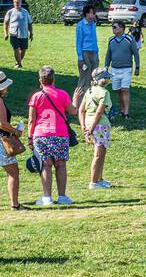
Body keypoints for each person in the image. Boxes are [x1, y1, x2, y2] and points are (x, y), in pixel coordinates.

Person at [27, 65, 77, 207]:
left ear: (40, 80)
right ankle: (62, 196)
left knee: (45, 166)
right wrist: (75, 99)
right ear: (53, 79)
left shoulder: (36, 96)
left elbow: (31, 120)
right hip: (60, 134)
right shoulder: (62, 94)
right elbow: (73, 111)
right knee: (61, 165)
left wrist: (30, 137)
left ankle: (47, 197)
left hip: (41, 134)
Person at [80, 67, 113, 190]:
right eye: (107, 77)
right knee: (98, 155)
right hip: (100, 126)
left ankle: (99, 179)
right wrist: (91, 129)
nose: (109, 79)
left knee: (101, 153)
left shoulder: (89, 90)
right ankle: (93, 182)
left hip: (90, 124)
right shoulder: (104, 93)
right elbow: (99, 113)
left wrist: (84, 127)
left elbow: (81, 110)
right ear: (102, 79)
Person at [104, 21, 140, 119]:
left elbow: (136, 54)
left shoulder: (129, 39)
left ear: (122, 28)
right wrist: (106, 67)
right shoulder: (111, 40)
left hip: (126, 69)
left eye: (115, 27)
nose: (113, 29)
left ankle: (126, 113)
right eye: (112, 27)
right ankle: (122, 109)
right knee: (118, 90)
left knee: (125, 89)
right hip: (114, 70)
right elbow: (108, 54)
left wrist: (137, 67)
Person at [0, 70, 24, 209]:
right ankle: (15, 204)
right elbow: (2, 124)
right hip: (2, 141)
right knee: (13, 172)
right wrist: (16, 131)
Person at [73, 4, 100, 108]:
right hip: (85, 53)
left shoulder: (93, 24)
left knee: (94, 79)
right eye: (91, 12)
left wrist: (97, 53)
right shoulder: (80, 25)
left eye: (94, 13)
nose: (93, 15)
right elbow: (78, 43)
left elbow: (94, 39)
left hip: (94, 53)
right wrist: (80, 58)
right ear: (86, 13)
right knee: (84, 79)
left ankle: (91, 103)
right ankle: (78, 104)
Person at [4, 0, 32, 69]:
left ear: (21, 3)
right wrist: (6, 33)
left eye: (18, 2)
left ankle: (17, 61)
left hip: (24, 34)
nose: (17, 3)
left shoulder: (25, 12)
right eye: (15, 2)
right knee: (16, 49)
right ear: (13, 3)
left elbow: (29, 23)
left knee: (23, 50)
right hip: (14, 34)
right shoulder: (10, 12)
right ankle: (19, 64)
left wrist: (31, 33)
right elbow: (6, 23)